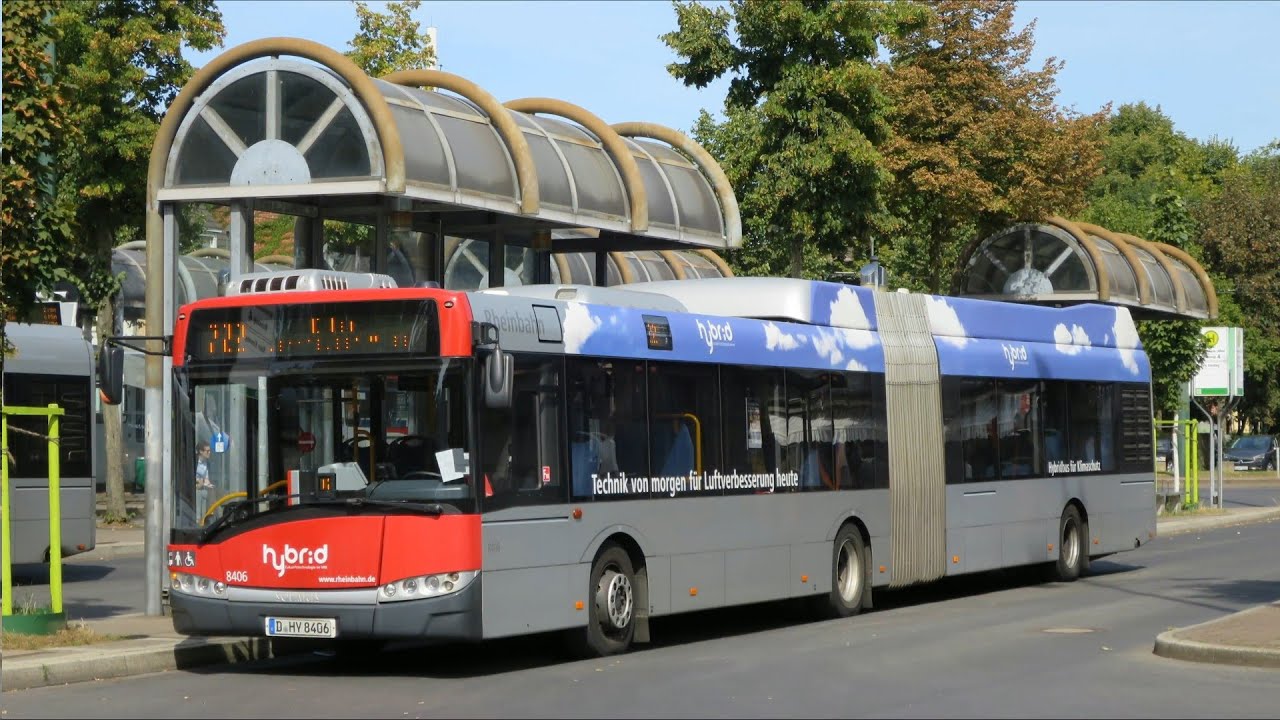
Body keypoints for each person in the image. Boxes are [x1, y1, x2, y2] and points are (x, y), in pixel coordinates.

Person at [195, 441, 214, 520]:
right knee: (198, 515)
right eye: (207, 451)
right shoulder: (195, 462)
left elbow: (207, 477)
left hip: (205, 489)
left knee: (204, 515)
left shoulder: (207, 463)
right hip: (197, 491)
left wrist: (207, 482)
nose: (209, 453)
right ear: (201, 451)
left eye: (210, 451)